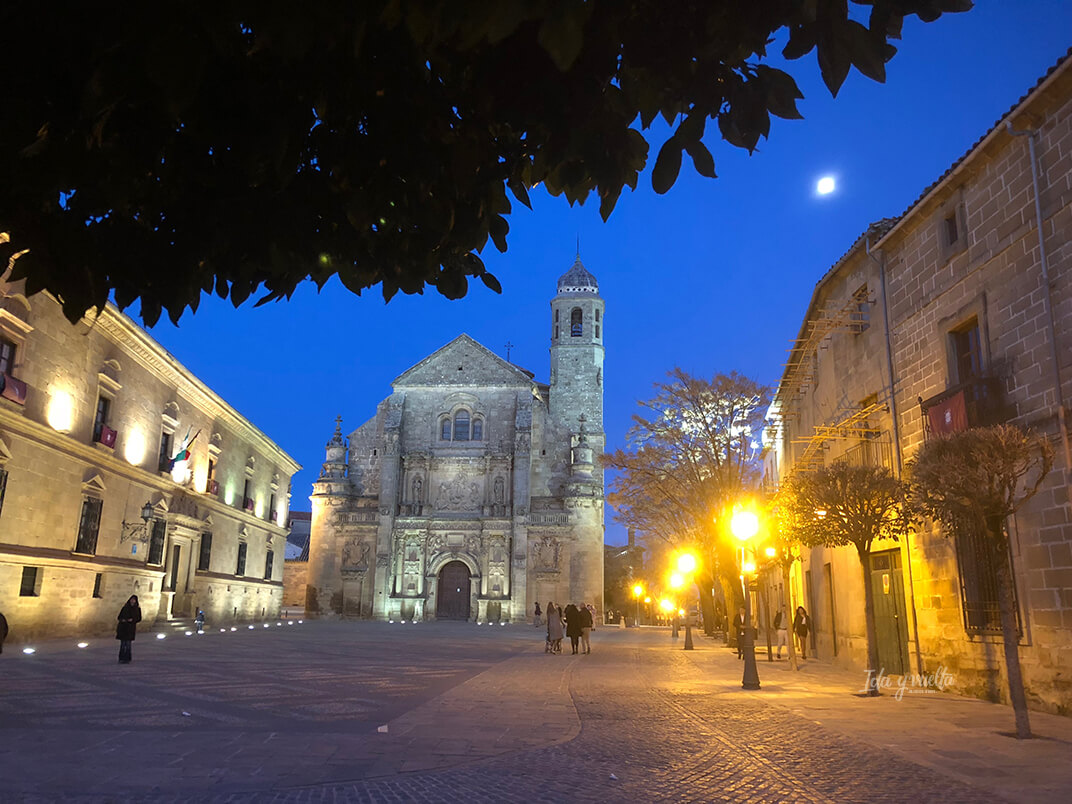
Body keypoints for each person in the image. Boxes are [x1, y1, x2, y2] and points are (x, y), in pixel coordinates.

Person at [116, 595, 142, 664]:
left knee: (128, 644)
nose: (132, 601)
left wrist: (132, 620)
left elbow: (139, 618)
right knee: (122, 644)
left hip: (130, 628)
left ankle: (127, 658)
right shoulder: (125, 608)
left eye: (134, 600)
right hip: (123, 627)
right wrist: (123, 620)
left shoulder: (137, 609)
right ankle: (121, 658)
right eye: (131, 599)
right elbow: (119, 617)